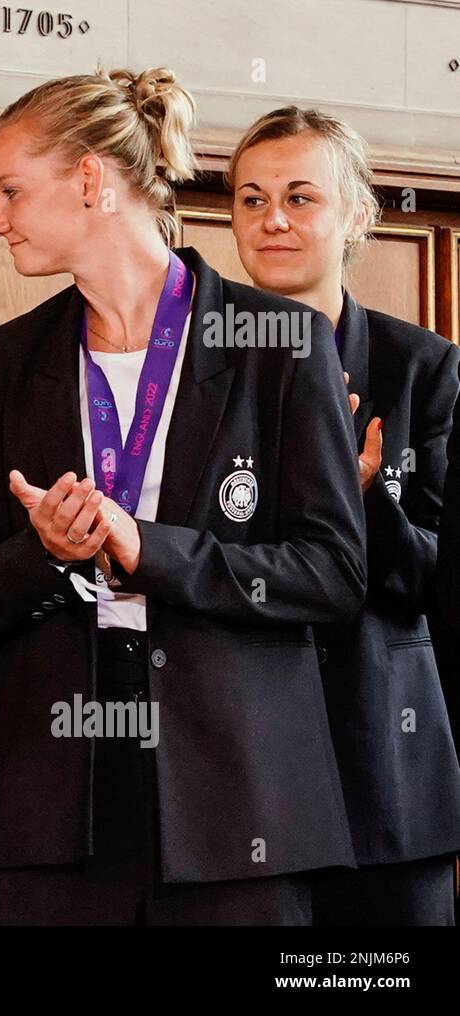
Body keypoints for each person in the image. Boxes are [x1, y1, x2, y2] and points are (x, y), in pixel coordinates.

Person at [0, 69, 367, 925]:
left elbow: (331, 573)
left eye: (13, 192)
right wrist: (48, 553)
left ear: (92, 179)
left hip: (234, 807)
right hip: (49, 812)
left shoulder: (280, 344)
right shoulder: (9, 360)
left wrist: (148, 550)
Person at [229, 106, 460, 925]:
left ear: (358, 213)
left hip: (382, 774)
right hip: (237, 772)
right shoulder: (196, 370)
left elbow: (436, 575)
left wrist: (366, 498)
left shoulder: (423, 368)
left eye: (300, 196)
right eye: (251, 200)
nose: (273, 220)